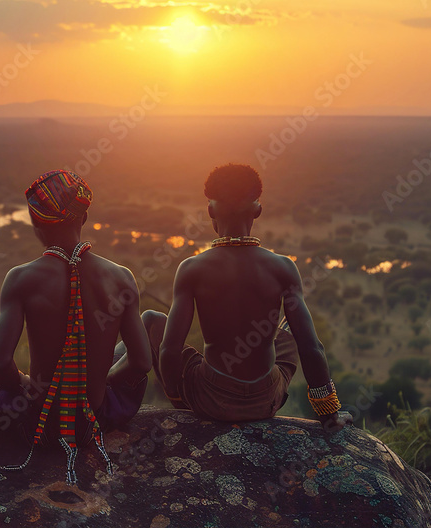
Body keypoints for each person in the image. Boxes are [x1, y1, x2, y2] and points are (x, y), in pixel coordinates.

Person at [0, 170, 152, 484]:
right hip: (95, 421)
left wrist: (24, 384)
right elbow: (142, 363)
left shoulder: (22, 278)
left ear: (36, 223)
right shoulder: (120, 276)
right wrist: (100, 382)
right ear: (85, 216)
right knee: (149, 326)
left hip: (35, 425)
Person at [146, 164, 352, 431]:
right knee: (292, 329)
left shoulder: (192, 268)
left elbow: (169, 350)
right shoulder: (283, 267)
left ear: (210, 210)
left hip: (209, 399)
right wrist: (330, 414)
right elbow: (312, 348)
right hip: (265, 400)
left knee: (151, 320)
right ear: (258, 210)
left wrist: (179, 397)